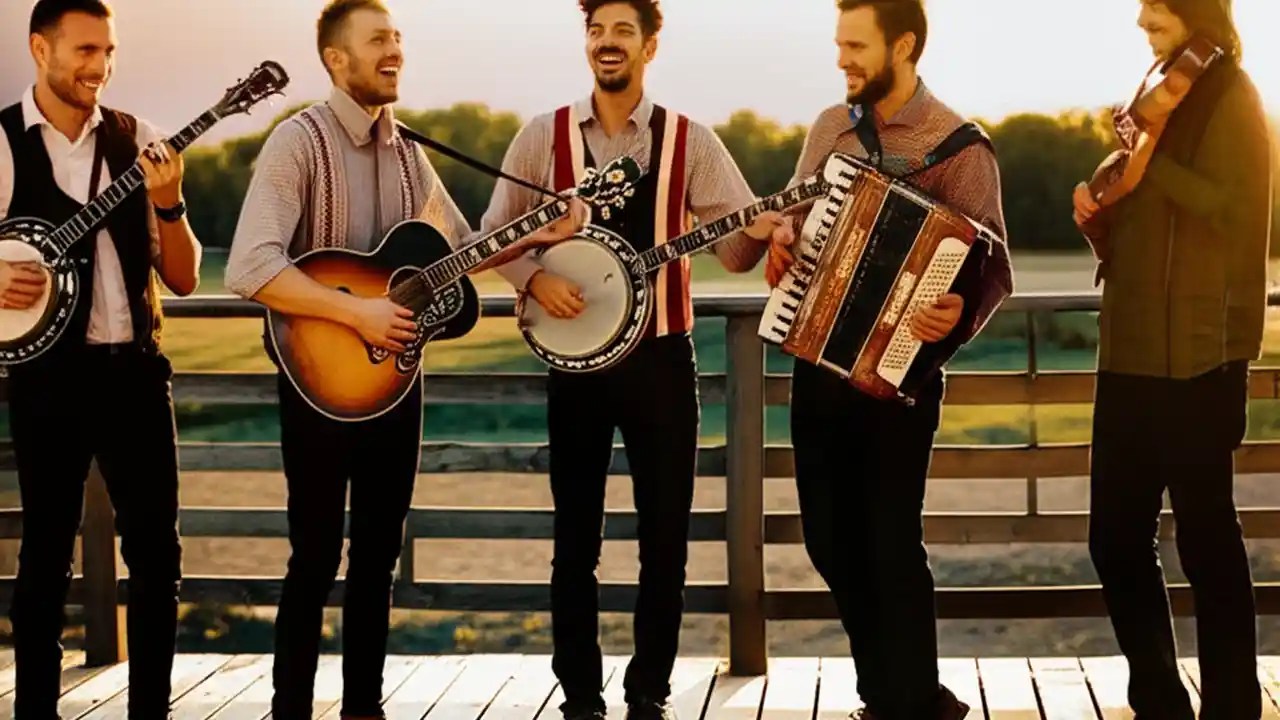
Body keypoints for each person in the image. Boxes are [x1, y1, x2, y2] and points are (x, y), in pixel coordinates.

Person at [223, 1, 584, 717]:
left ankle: (365, 707)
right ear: (336, 58)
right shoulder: (298, 141)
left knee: (378, 558)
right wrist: (355, 310)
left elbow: (459, 254)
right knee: (315, 557)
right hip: (317, 382)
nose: (394, 51)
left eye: (398, 40)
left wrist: (547, 229)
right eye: (378, 40)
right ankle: (288, 708)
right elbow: (250, 266)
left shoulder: (410, 152)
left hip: (396, 383)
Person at [480, 1, 783, 717]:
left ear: (650, 46)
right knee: (574, 539)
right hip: (574, 373)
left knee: (664, 541)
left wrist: (765, 229)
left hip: (660, 364)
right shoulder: (541, 136)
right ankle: (579, 697)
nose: (606, 43)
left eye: (621, 31)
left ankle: (649, 692)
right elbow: (493, 235)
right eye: (595, 30)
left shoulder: (690, 142)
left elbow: (736, 253)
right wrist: (534, 279)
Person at [759, 1, 1013, 717]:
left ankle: (893, 700)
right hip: (817, 367)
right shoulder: (829, 129)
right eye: (840, 44)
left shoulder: (959, 147)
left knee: (892, 548)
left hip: (900, 380)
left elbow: (991, 268)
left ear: (903, 45)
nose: (842, 59)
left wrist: (956, 313)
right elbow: (797, 217)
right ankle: (913, 695)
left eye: (855, 45)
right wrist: (783, 234)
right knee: (828, 542)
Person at [0, 0, 203, 716]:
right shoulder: (0, 144)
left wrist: (172, 204)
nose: (101, 66)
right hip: (47, 379)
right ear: (40, 49)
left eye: (108, 51)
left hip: (137, 373)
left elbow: (183, 278)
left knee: (158, 559)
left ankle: (152, 709)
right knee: (45, 559)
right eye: (85, 50)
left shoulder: (138, 138)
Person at [1072, 1, 1272, 717]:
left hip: (1201, 356)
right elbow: (1137, 224)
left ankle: (1232, 706)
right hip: (1128, 350)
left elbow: (1239, 213)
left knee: (1208, 544)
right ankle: (1158, 699)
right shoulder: (1159, 87)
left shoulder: (1237, 96)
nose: (1140, 20)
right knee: (1112, 538)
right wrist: (1102, 213)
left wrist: (1151, 167)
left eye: (1153, 6)